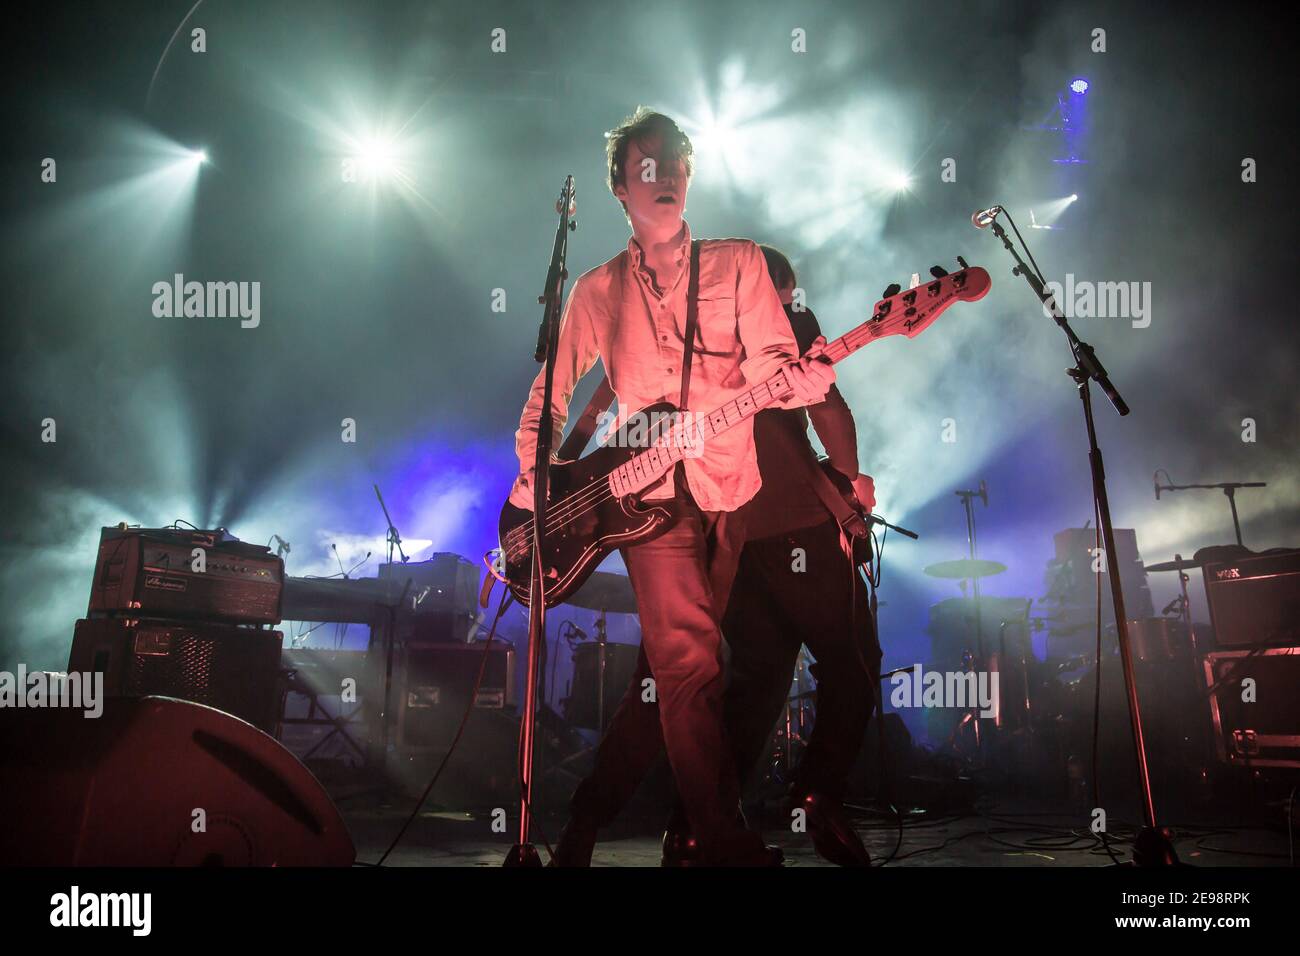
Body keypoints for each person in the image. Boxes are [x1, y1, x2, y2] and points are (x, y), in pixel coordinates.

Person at [509, 107, 835, 866]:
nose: (664, 176)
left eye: (675, 163)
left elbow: (770, 366)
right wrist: (534, 473)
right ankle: (718, 842)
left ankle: (587, 821)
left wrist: (798, 382)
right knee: (691, 662)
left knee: (664, 685)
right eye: (646, 165)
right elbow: (549, 394)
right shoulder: (596, 290)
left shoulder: (740, 264)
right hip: (642, 498)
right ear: (619, 187)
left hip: (726, 487)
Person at [662, 245, 883, 867]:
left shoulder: (688, 338)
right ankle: (819, 795)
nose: (789, 307)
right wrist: (852, 485)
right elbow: (828, 409)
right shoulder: (783, 322)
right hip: (796, 523)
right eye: (786, 295)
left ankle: (698, 831)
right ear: (773, 288)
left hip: (725, 535)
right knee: (855, 662)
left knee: (755, 684)